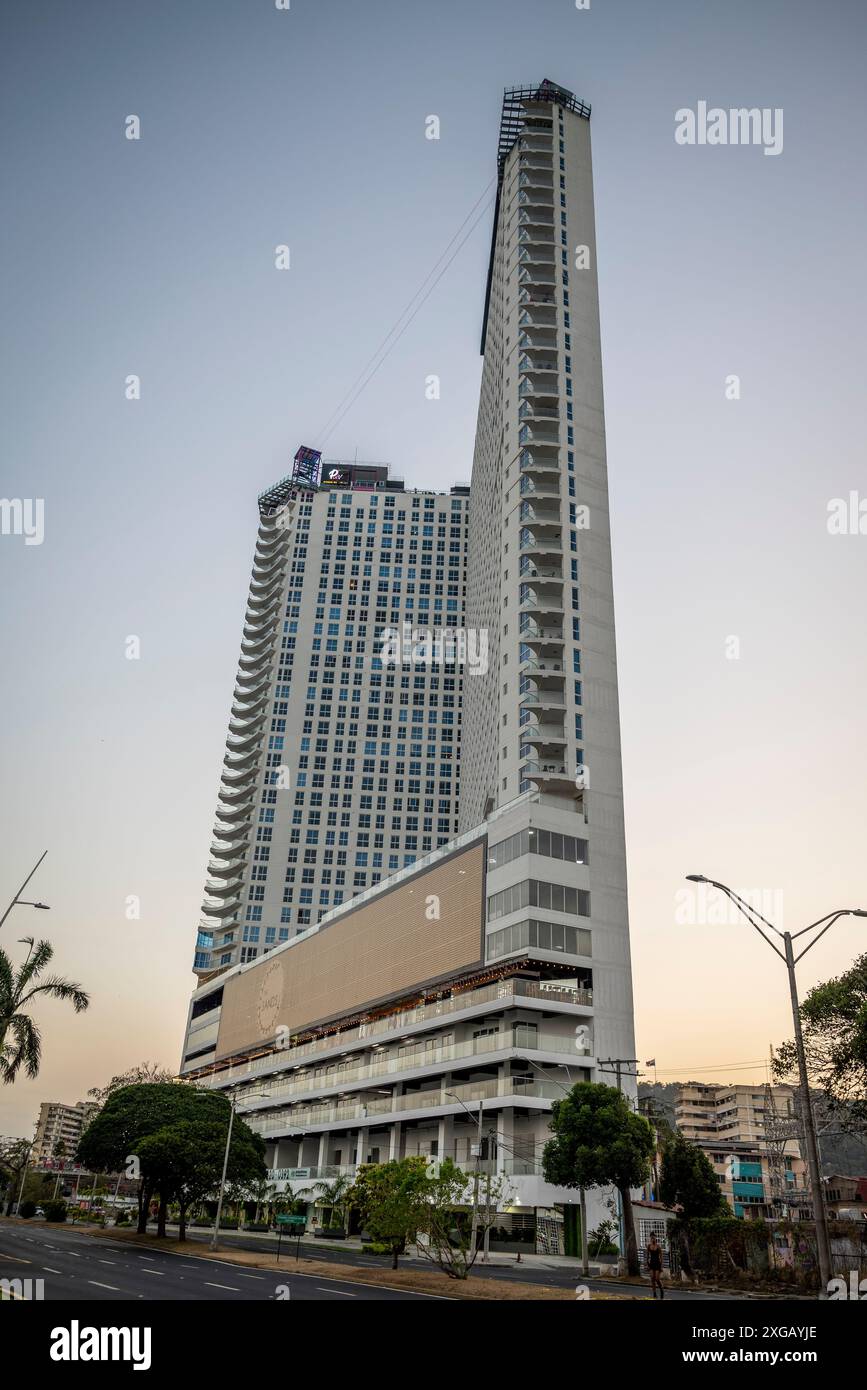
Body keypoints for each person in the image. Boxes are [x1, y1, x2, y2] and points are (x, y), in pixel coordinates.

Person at [647, 1232, 665, 1298]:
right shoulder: (649, 1246)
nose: (653, 1239)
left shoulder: (658, 1247)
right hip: (651, 1264)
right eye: (651, 1238)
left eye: (653, 1238)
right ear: (650, 1238)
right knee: (652, 1278)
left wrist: (661, 1266)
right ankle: (654, 1293)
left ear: (655, 1238)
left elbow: (661, 1257)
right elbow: (647, 1256)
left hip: (657, 1264)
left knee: (657, 1279)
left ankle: (661, 1289)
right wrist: (647, 1264)